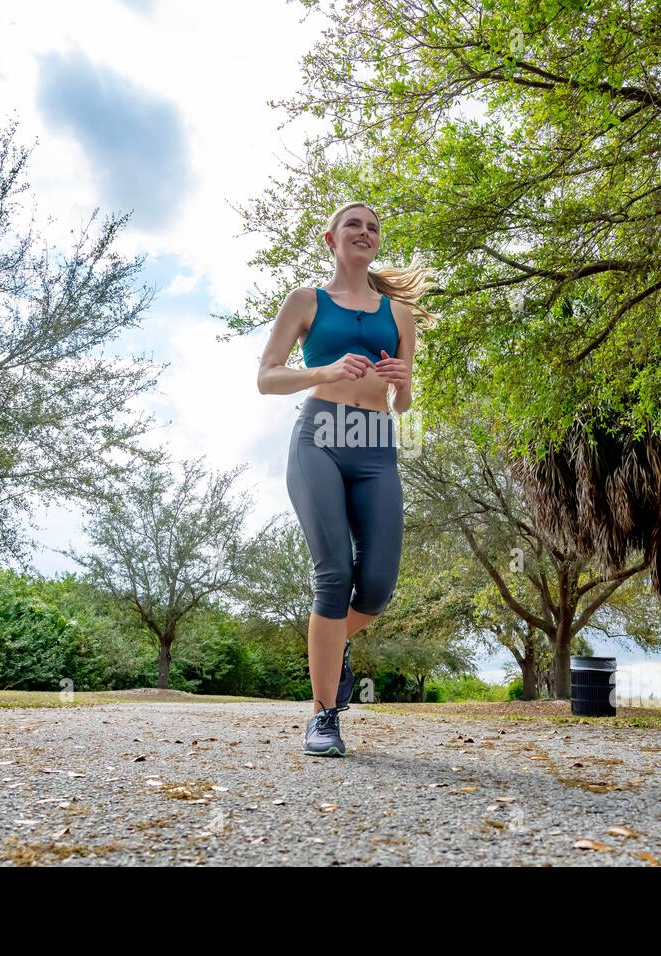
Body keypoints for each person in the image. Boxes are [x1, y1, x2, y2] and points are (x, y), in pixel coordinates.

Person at [256, 200, 436, 756]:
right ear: (332, 240)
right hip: (320, 436)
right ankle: (323, 715)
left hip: (376, 443)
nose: (364, 232)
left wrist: (403, 383)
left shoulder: (398, 314)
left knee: (377, 586)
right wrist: (325, 371)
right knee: (333, 576)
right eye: (352, 225)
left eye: (373, 227)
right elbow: (266, 378)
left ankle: (330, 645)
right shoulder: (306, 301)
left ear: (378, 242)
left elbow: (403, 403)